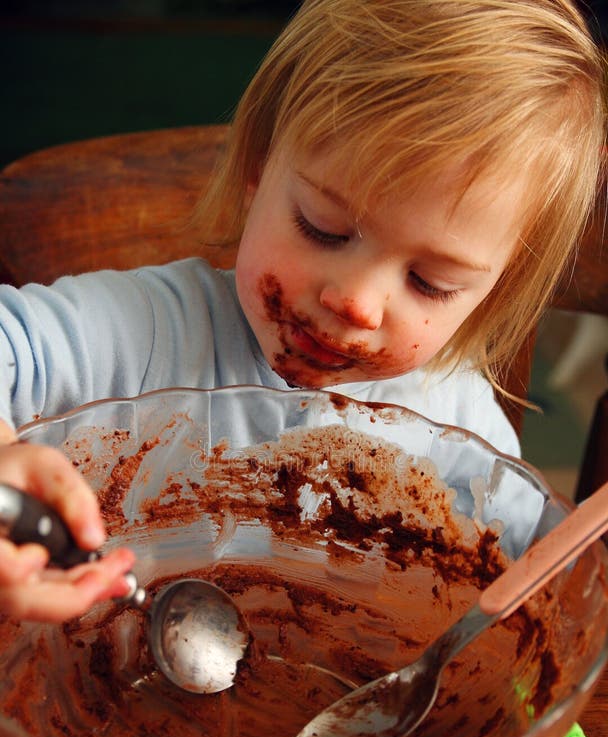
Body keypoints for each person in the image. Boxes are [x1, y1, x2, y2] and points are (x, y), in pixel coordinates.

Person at [0, 0, 604, 622]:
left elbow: (524, 580)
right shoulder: (139, 333)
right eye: (324, 229)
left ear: (492, 291)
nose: (356, 303)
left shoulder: (459, 425)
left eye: (430, 282)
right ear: (259, 167)